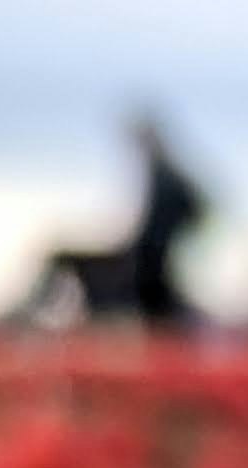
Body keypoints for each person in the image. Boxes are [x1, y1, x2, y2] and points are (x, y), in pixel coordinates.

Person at [42, 113, 211, 330]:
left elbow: (147, 238)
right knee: (65, 254)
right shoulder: (173, 177)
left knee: (61, 255)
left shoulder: (165, 179)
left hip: (142, 268)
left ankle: (36, 325)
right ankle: (52, 321)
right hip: (147, 264)